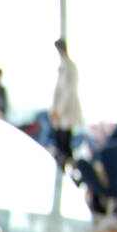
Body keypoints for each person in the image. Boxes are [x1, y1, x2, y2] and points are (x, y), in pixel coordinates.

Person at [49, 38, 83, 167]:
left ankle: (70, 170)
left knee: (65, 144)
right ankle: (63, 167)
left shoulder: (70, 67)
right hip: (60, 111)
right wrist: (54, 110)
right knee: (60, 143)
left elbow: (68, 90)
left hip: (67, 111)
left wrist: (59, 110)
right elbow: (58, 91)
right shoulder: (62, 66)